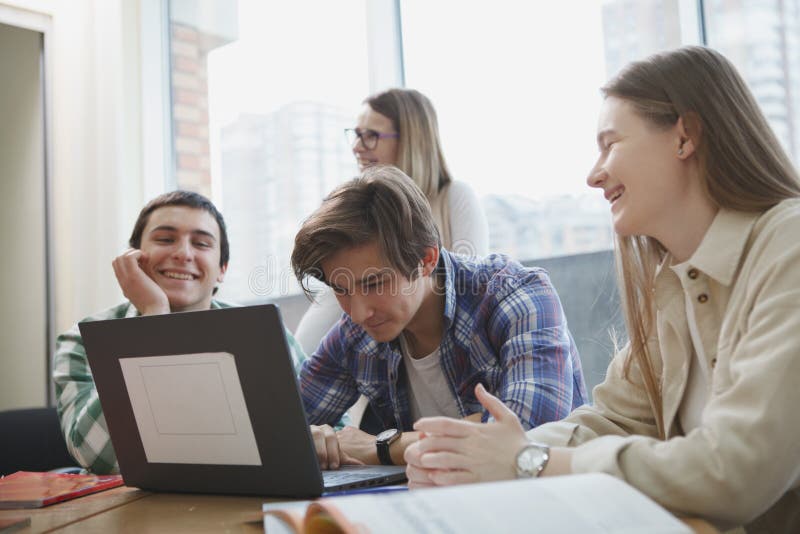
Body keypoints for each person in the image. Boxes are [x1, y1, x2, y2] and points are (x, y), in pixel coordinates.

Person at [404, 46, 800, 532]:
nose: (594, 175)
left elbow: (735, 472)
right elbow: (611, 420)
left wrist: (530, 461)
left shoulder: (790, 249)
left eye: (610, 144)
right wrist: (476, 454)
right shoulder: (674, 283)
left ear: (685, 136)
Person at [291, 165, 586, 470]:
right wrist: (317, 438)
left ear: (426, 259)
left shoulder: (514, 294)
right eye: (341, 289)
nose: (358, 312)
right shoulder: (355, 334)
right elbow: (284, 429)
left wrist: (382, 446)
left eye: (374, 283)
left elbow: (528, 434)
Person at [53, 191, 306, 474]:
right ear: (133, 258)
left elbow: (332, 427)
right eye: (165, 239)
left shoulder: (263, 332)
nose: (184, 253)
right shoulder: (82, 340)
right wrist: (154, 318)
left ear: (222, 269)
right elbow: (97, 457)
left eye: (201, 243)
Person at [294, 88, 489, 359]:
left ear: (411, 141)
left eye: (371, 136)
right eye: (357, 134)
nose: (357, 146)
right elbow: (324, 315)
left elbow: (468, 286)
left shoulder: (454, 197)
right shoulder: (360, 226)